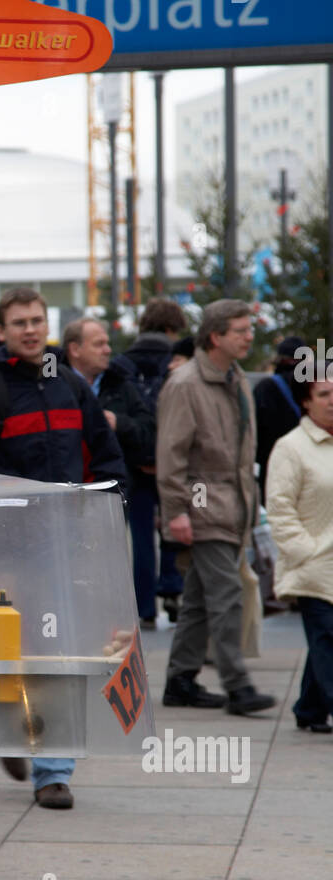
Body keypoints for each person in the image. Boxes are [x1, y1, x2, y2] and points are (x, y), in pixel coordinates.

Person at [0, 287, 127, 809]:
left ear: (47, 326)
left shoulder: (71, 388)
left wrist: (105, 514)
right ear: (0, 331)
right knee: (6, 657)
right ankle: (13, 735)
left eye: (36, 320)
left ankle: (53, 771)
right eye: (18, 321)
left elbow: (107, 462)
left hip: (63, 554)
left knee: (58, 656)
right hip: (1, 559)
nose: (28, 329)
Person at [157, 300, 275, 716]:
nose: (249, 336)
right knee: (227, 594)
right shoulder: (187, 384)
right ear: (215, 336)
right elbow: (171, 455)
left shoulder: (235, 378)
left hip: (233, 505)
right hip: (205, 506)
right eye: (240, 330)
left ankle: (180, 679)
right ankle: (237, 684)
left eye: (249, 328)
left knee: (200, 600)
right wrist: (178, 510)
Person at [62, 317, 156, 623]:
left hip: (111, 495)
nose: (108, 350)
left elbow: (149, 431)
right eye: (98, 344)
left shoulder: (121, 385)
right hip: (64, 496)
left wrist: (119, 423)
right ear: (75, 349)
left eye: (107, 343)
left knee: (108, 570)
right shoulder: (53, 383)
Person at [265, 359, 333, 733]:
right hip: (313, 566)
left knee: (324, 642)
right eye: (324, 394)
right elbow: (279, 508)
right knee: (327, 638)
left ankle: (309, 708)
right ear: (306, 401)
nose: (332, 400)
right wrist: (304, 552)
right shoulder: (291, 448)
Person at [121, 298, 188, 626]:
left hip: (134, 462)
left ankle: (145, 608)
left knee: (142, 536)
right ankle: (173, 589)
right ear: (170, 328)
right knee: (176, 527)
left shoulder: (123, 363)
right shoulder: (180, 362)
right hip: (172, 460)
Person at [253, 335, 308, 505]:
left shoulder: (265, 388)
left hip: (272, 470)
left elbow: (253, 432)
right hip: (310, 469)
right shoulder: (316, 386)